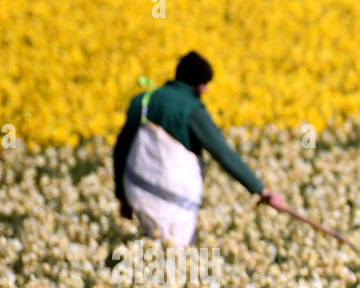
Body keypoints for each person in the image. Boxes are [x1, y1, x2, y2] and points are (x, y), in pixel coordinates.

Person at [113, 51, 284, 246]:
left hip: (138, 190)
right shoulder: (193, 110)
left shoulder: (143, 101)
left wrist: (122, 196)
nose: (206, 90)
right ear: (196, 84)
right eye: (204, 84)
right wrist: (260, 190)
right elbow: (224, 154)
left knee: (150, 249)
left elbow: (121, 149)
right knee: (174, 258)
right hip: (174, 200)